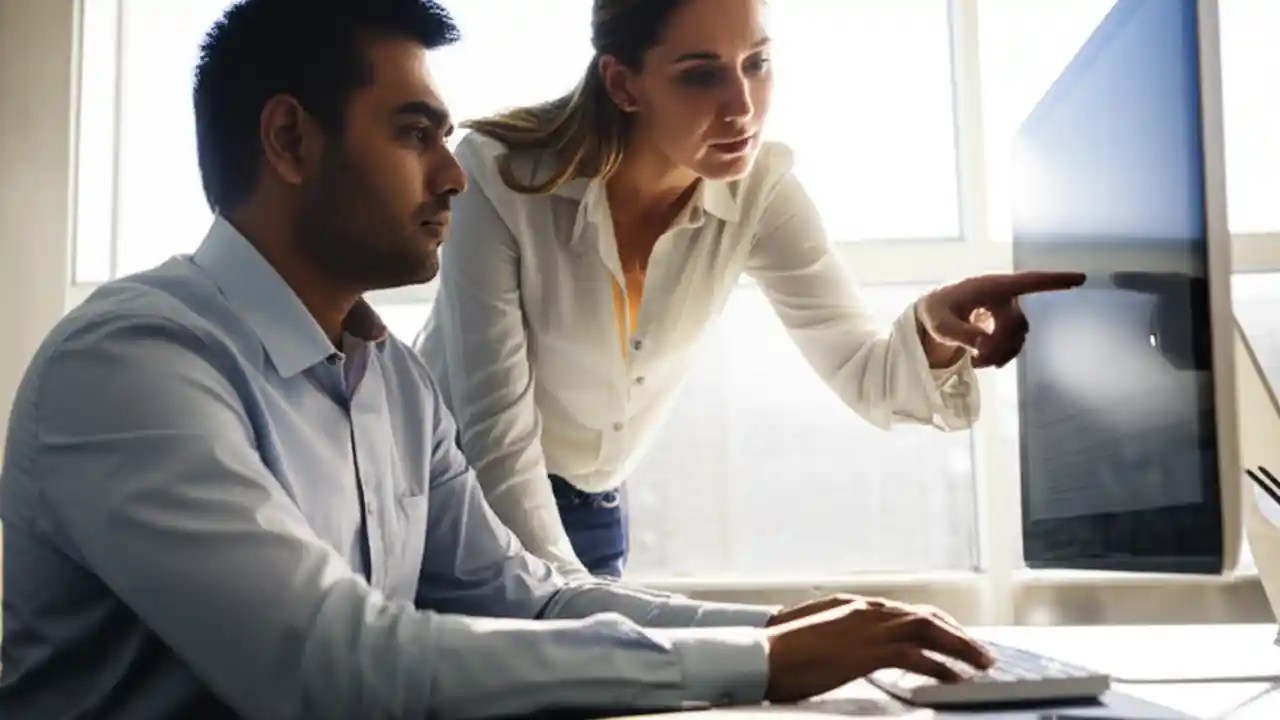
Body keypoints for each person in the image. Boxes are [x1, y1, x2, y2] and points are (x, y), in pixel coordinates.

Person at [0, 1, 997, 717]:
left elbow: (530, 596)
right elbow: (330, 664)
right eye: (414, 135)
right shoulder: (133, 363)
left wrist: (787, 628)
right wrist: (761, 664)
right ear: (290, 140)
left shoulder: (390, 382)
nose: (451, 176)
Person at [415, 0, 1087, 579]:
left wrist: (931, 329)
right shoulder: (499, 178)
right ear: (623, 83)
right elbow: (497, 437)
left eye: (757, 64)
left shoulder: (762, 191)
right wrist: (573, 598)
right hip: (454, 498)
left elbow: (869, 372)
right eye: (701, 74)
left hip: (595, 512)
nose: (742, 108)